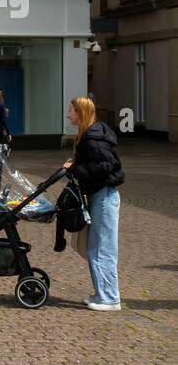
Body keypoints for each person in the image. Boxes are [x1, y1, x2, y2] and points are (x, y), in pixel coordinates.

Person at [63, 97, 124, 312]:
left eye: (71, 110)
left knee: (102, 248)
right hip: (100, 195)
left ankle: (110, 298)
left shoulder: (92, 138)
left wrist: (75, 169)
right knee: (96, 246)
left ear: (81, 113)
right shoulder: (92, 134)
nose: (68, 114)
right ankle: (102, 293)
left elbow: (107, 165)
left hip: (104, 196)